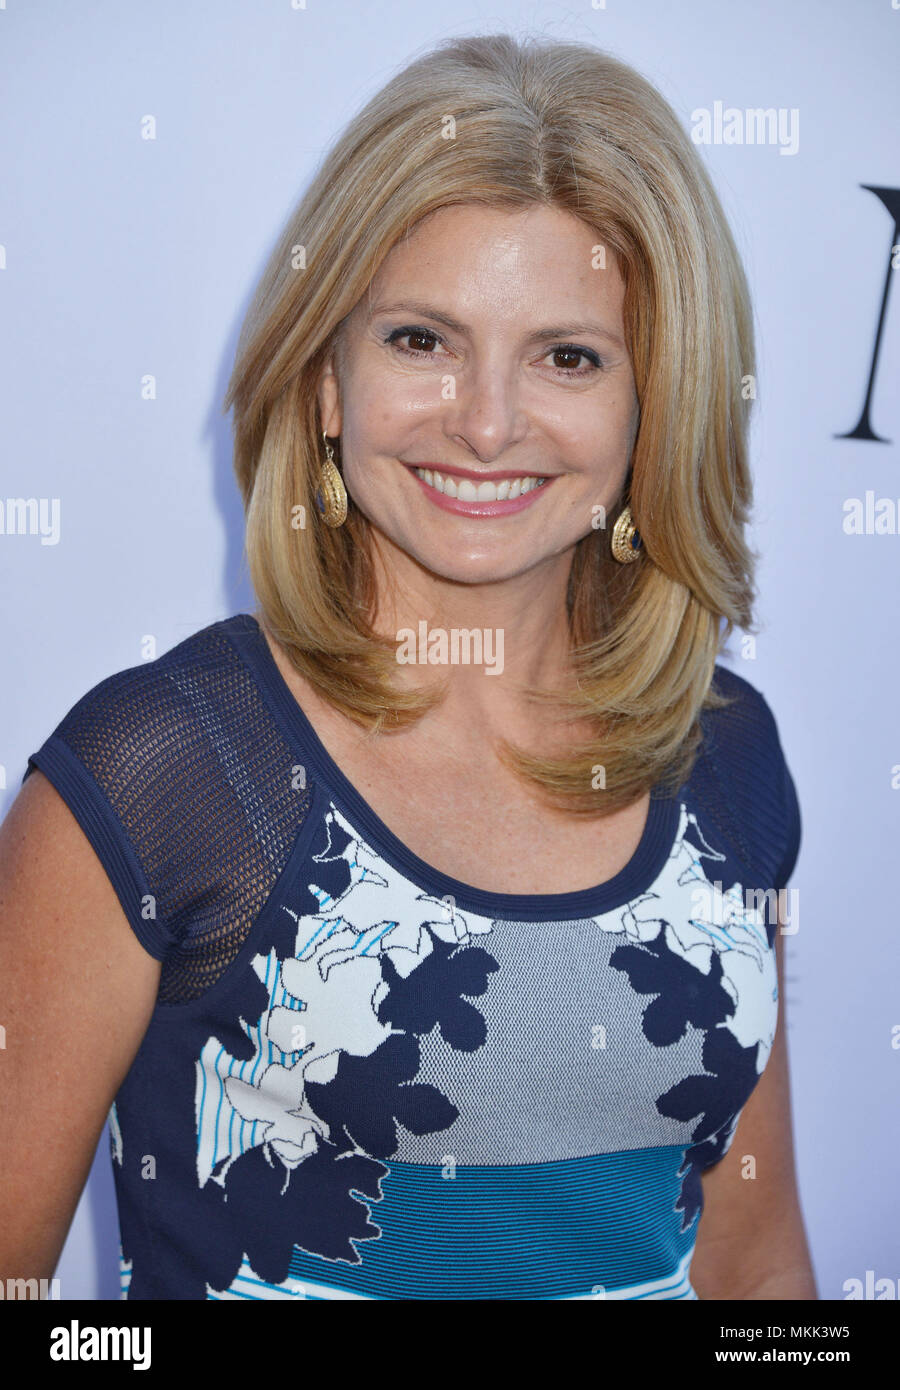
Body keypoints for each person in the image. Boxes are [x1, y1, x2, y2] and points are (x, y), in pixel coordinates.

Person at [0, 32, 816, 1300]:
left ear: (656, 401)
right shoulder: (160, 776)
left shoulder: (727, 753)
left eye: (569, 356)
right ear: (325, 377)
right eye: (423, 340)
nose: (486, 423)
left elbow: (757, 1274)